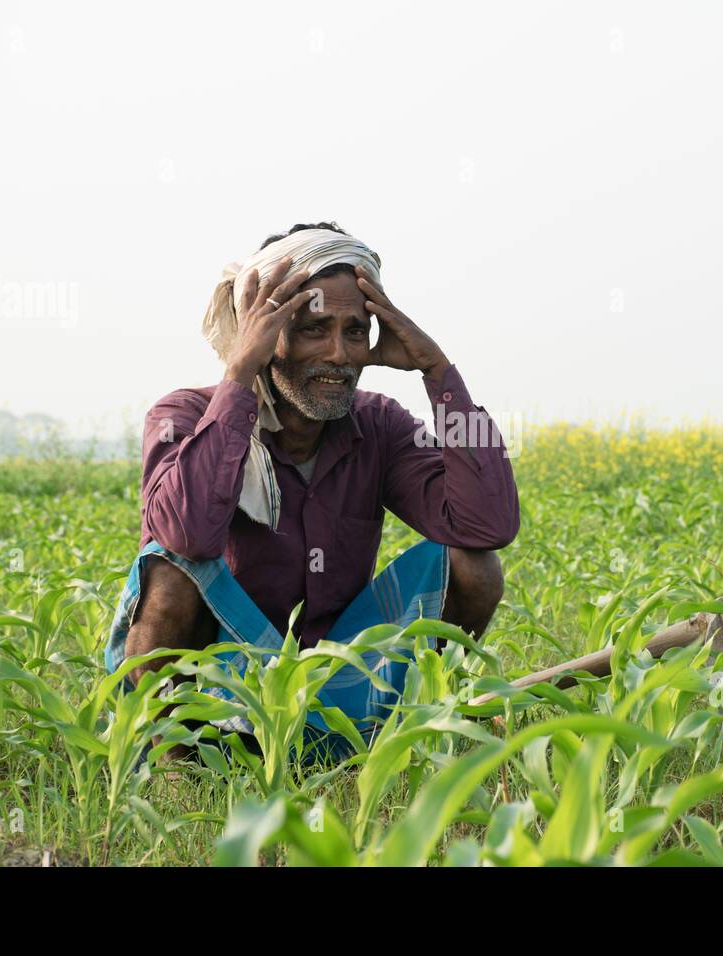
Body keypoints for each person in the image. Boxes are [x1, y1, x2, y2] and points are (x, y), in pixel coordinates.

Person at [103, 222, 520, 764]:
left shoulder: (378, 425)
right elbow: (189, 535)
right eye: (314, 329)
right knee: (172, 569)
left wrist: (437, 371)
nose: (339, 353)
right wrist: (239, 376)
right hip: (222, 686)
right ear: (261, 332)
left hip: (335, 679)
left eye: (354, 332)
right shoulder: (183, 416)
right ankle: (174, 764)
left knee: (474, 566)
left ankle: (392, 733)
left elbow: (486, 526)